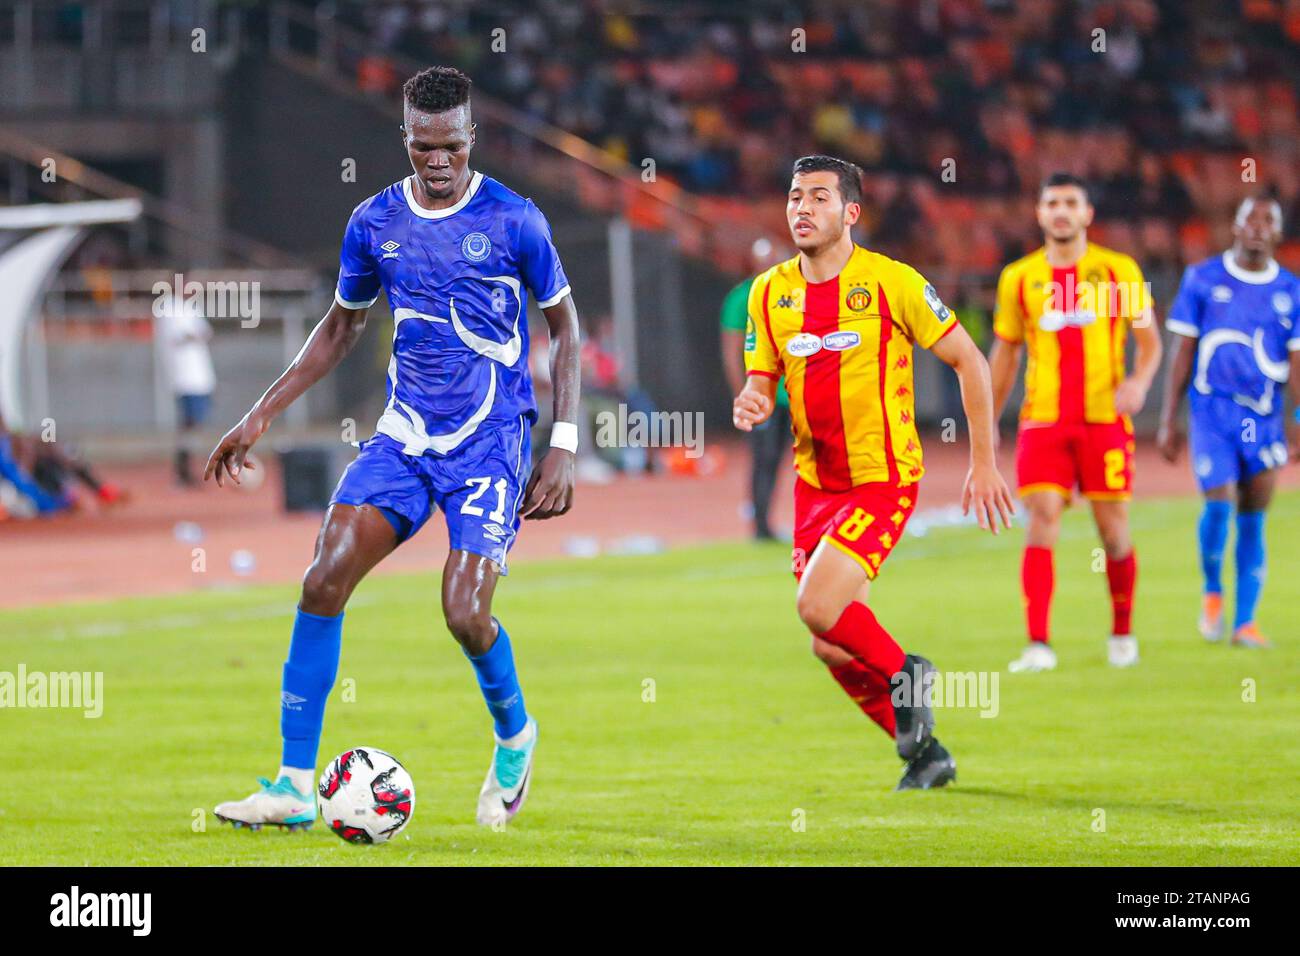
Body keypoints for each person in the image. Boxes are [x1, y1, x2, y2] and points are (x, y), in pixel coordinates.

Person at [206, 66, 580, 830]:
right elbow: (341, 326)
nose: (436, 161)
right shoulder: (374, 222)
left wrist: (563, 444)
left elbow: (565, 328)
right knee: (323, 577)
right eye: (421, 147)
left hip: (491, 441)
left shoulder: (517, 220)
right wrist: (259, 414)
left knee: (464, 613)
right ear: (404, 139)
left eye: (449, 146)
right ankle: (290, 786)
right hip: (405, 435)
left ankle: (515, 734)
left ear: (470, 137)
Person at [732, 155, 1014, 790]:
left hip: (882, 479)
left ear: (850, 212)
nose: (802, 208)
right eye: (795, 196)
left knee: (816, 605)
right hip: (815, 486)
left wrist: (984, 461)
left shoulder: (894, 284)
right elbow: (762, 376)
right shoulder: (769, 291)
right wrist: (752, 398)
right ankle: (925, 752)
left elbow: (970, 362)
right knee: (830, 641)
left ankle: (907, 672)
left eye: (820, 198)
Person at [988, 173, 1162, 672]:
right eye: (1051, 203)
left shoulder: (1116, 271)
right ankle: (1038, 644)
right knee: (1041, 521)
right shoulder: (1019, 278)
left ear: (1087, 214)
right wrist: (990, 418)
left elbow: (1149, 343)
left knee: (1113, 532)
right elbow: (1006, 352)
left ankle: (1122, 634)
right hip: (1042, 420)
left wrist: (1140, 383)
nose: (1060, 211)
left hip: (1104, 420)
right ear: (1040, 214)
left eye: (1070, 203)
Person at [1157, 196, 1300, 648]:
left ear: (1278, 233)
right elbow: (1183, 353)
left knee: (1254, 515)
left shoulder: (1291, 291)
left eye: (1268, 221)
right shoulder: (1202, 278)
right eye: (1249, 219)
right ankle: (1213, 591)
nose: (1258, 228)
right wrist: (1167, 420)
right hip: (1211, 411)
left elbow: (1296, 363)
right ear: (1235, 227)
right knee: (1218, 503)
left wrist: (1298, 418)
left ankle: (1245, 622)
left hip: (1264, 416)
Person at [720, 237, 791, 539]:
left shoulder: (791, 295)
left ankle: (769, 520)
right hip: (760, 394)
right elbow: (731, 349)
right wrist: (742, 393)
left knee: (778, 459)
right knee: (762, 458)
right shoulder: (741, 298)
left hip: (790, 394)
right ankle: (760, 526)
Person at [157, 293, 216, 486]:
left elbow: (206, 332)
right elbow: (179, 336)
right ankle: (182, 470)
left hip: (201, 376)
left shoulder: (191, 307)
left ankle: (185, 467)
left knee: (194, 422)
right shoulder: (168, 307)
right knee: (189, 422)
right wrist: (194, 335)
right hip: (184, 376)